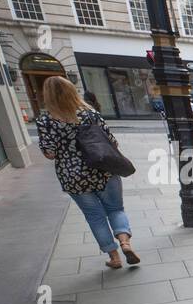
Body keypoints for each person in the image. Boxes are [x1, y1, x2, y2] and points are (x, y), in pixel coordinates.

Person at [36, 77, 140, 270]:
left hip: (73, 177)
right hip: (103, 170)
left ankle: (114, 257)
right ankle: (125, 243)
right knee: (115, 209)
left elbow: (49, 153)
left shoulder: (46, 120)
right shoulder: (90, 114)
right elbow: (112, 142)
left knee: (95, 216)